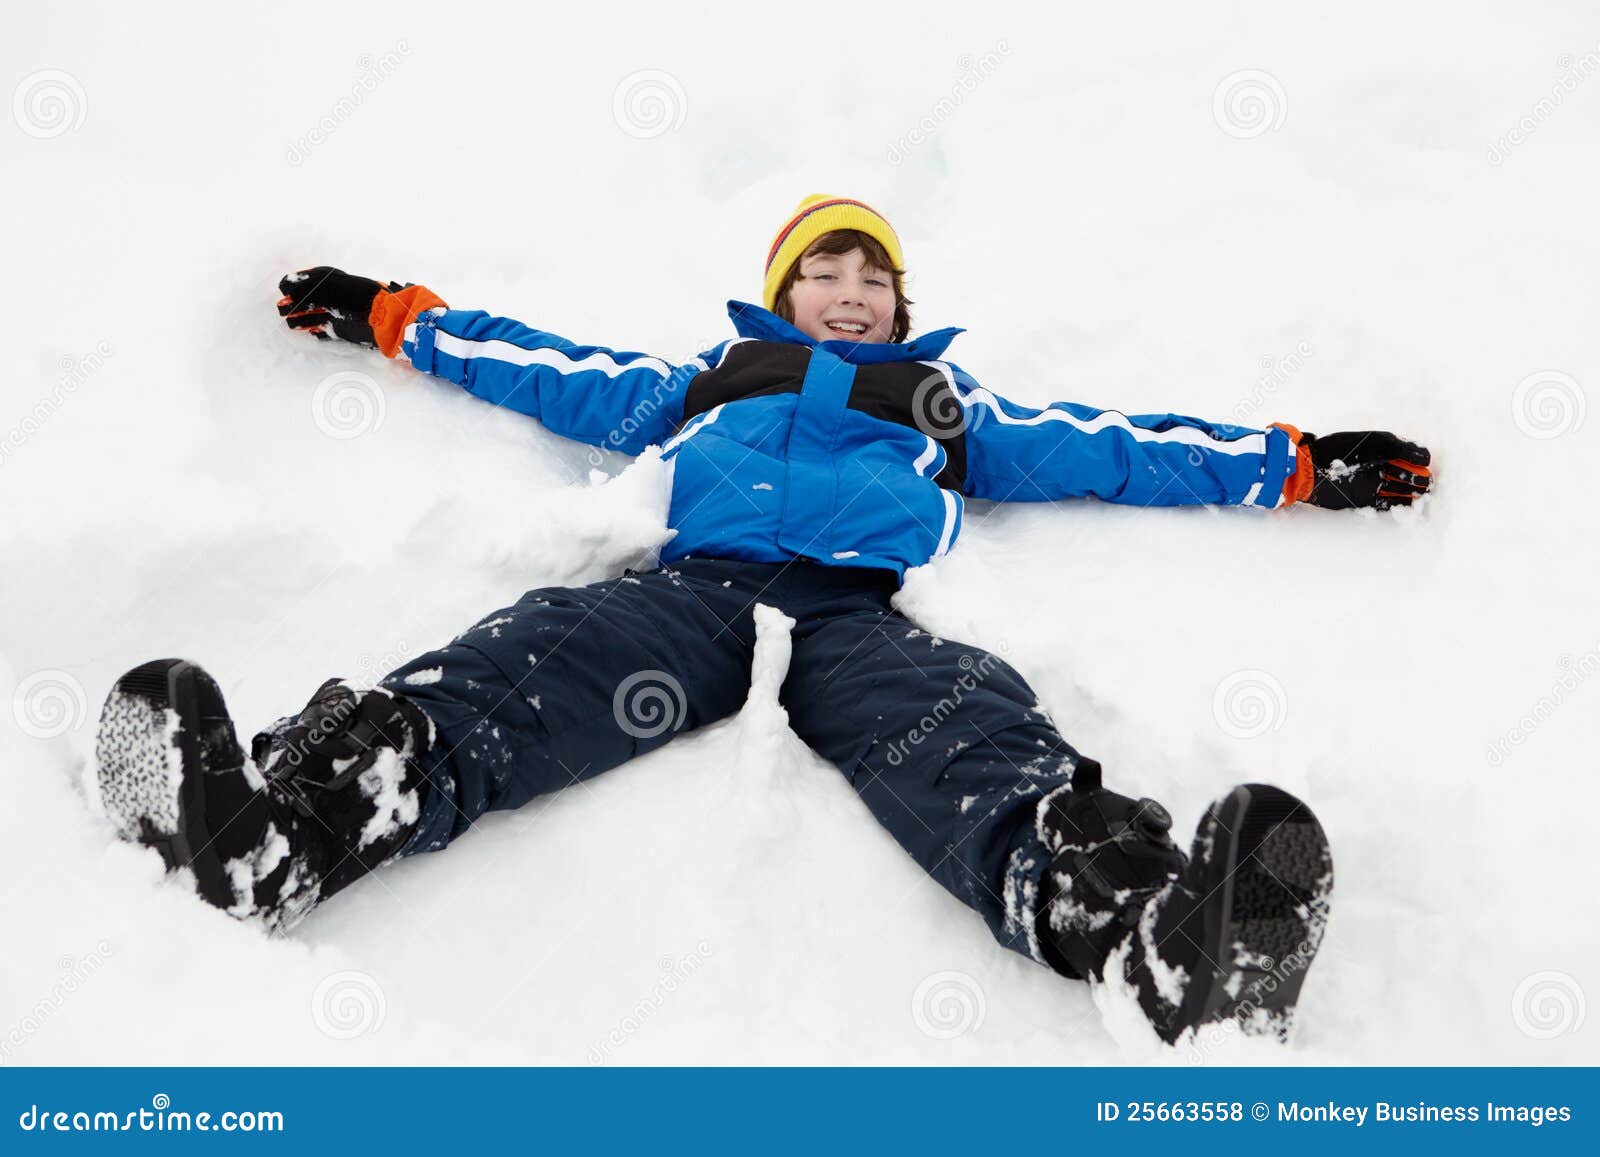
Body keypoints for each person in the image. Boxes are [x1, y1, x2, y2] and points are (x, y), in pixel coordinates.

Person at [93, 195, 1432, 1045]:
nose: (852, 293)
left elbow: (1129, 448)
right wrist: (394, 316)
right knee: (535, 659)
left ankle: (1152, 943)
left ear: (901, 309)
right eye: (826, 273)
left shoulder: (943, 407)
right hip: (698, 599)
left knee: (969, 738)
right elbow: (536, 364)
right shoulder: (709, 381)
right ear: (782, 294)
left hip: (858, 623)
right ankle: (288, 826)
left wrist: (1301, 462)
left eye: (874, 280)